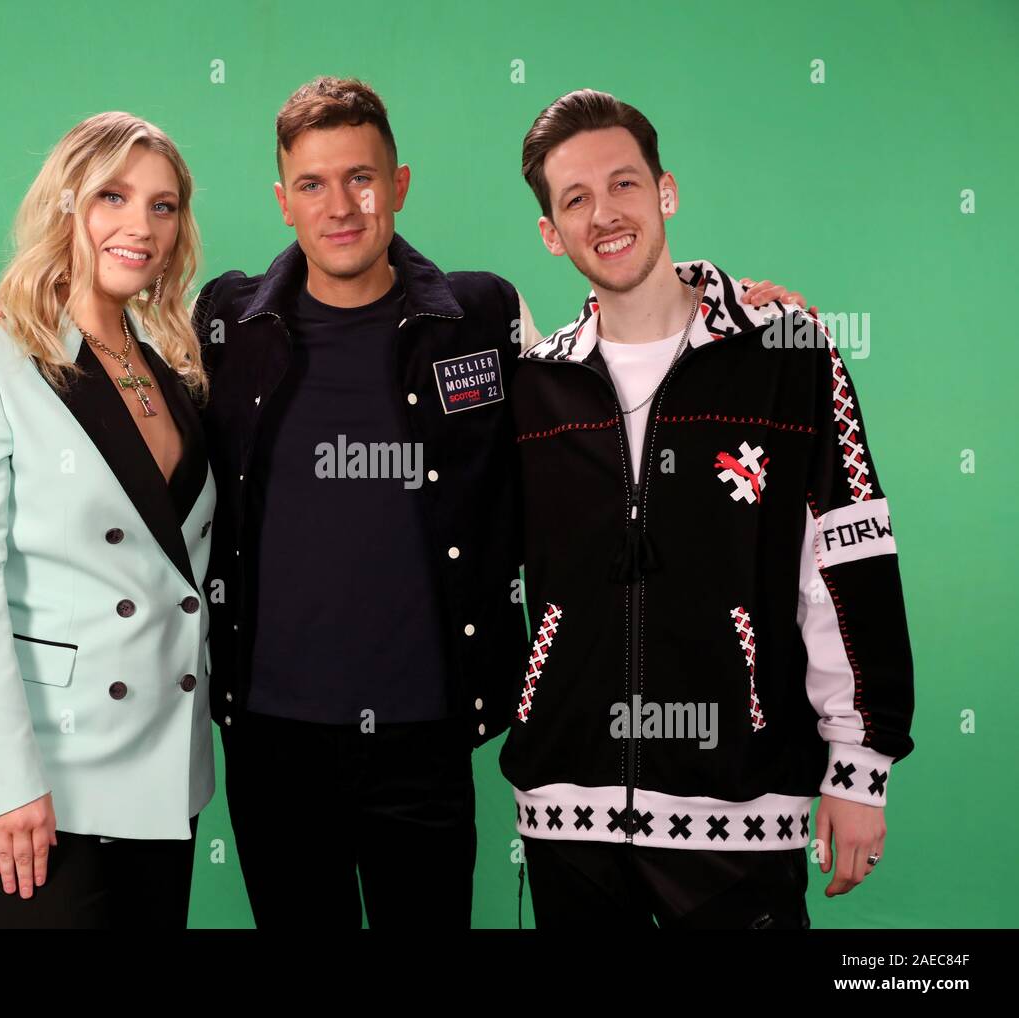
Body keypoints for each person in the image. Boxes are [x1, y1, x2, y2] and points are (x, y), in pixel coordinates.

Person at [191, 76, 808, 928]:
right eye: (313, 184)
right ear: (283, 201)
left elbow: (610, 366)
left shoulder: (479, 315)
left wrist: (730, 313)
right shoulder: (225, 322)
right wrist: (26, 316)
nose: (341, 205)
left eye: (362, 178)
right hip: (271, 741)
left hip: (428, 739)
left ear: (398, 184)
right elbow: (121, 373)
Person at [500, 88, 915, 929]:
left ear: (666, 192)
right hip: (564, 812)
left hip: (742, 805)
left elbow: (845, 557)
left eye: (623, 184)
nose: (604, 214)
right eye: (574, 199)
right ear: (551, 233)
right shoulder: (534, 388)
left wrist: (859, 768)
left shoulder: (787, 354)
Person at [0, 111, 215, 929]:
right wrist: (5, 784)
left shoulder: (172, 368)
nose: (139, 226)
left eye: (164, 205)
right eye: (113, 196)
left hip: (157, 776)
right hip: (34, 783)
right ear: (66, 204)